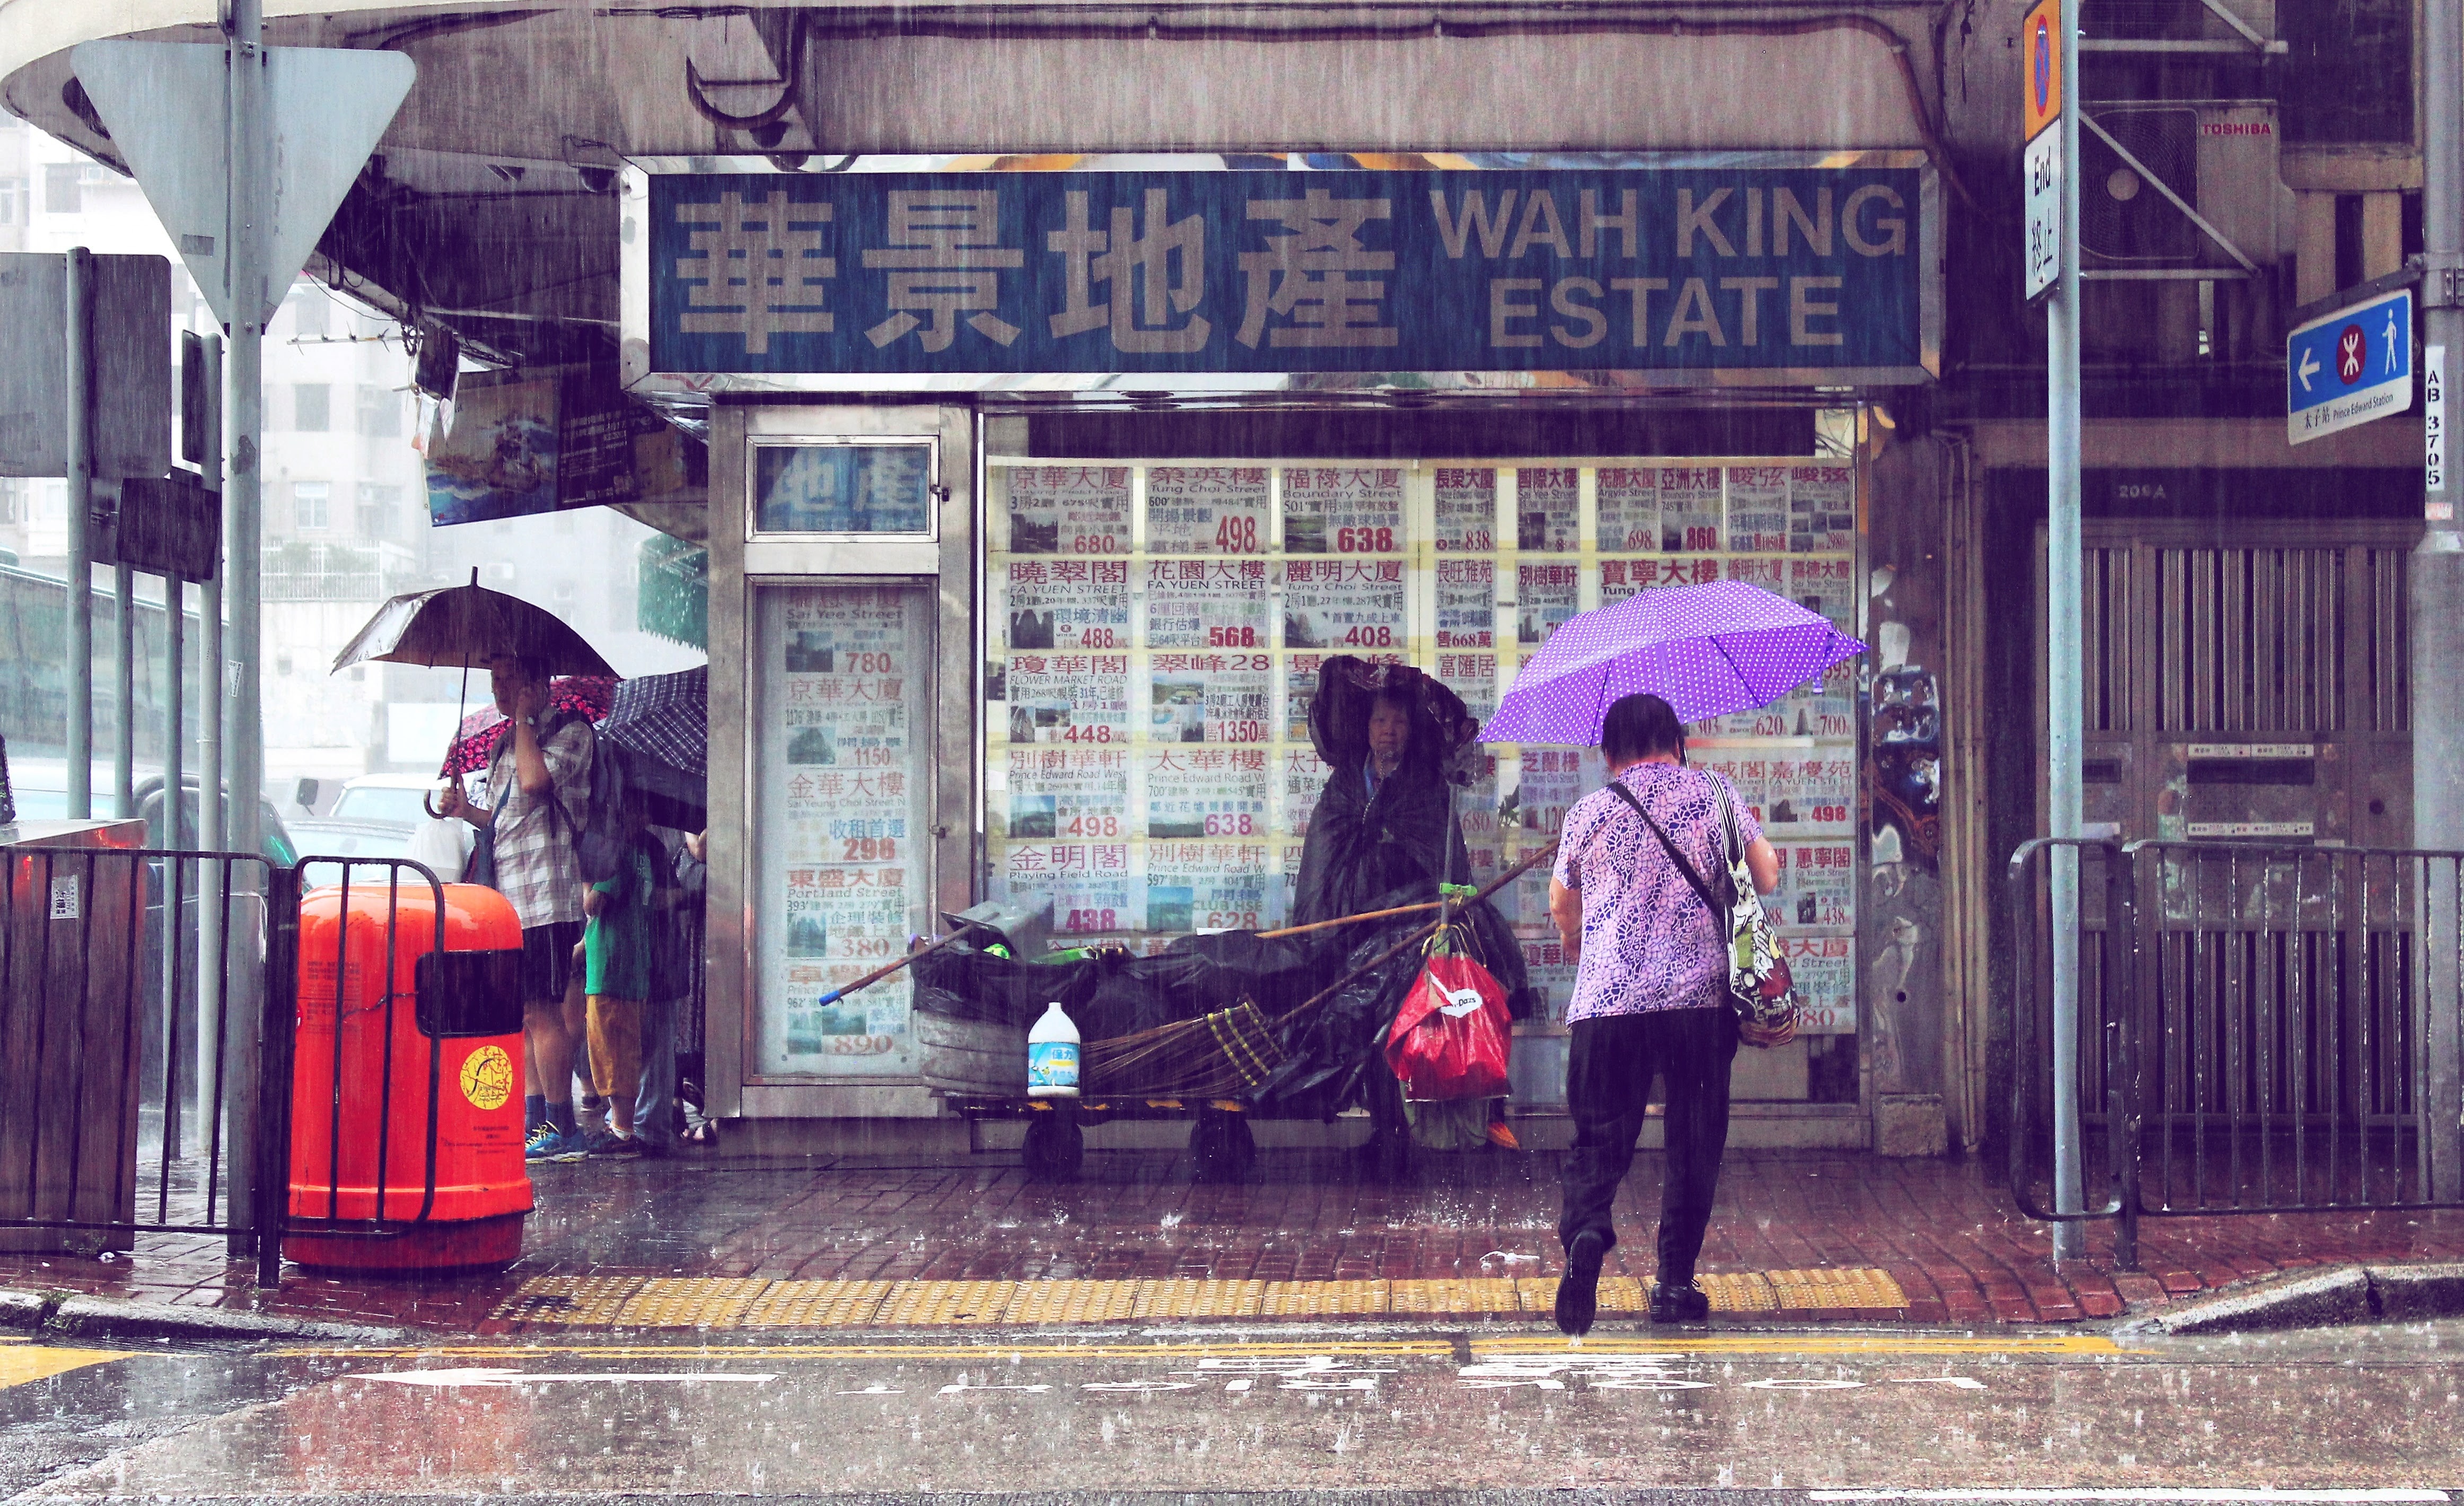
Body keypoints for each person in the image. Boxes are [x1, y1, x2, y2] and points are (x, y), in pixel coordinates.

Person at [1546, 691, 1790, 1335]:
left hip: (1609, 1002)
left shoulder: (1590, 810)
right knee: (1693, 1139)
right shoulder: (1714, 794)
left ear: (1608, 755)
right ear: (1677, 741)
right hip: (1698, 1002)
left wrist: (1580, 937)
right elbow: (1766, 875)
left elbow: (1561, 905)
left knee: (1599, 1136)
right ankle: (1675, 1282)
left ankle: (1588, 1235)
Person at [437, 652, 595, 1164]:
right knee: (523, 1016)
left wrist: (526, 721)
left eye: (508, 681)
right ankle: (533, 1121)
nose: (498, 691)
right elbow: (506, 820)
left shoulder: (571, 733)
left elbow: (535, 783)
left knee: (545, 1012)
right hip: (509, 898)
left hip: (548, 897)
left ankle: (562, 1124)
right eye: (494, 682)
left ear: (536, 683)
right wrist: (466, 811)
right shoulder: (507, 741)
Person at [579, 815, 664, 1158]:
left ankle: (623, 1131)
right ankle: (623, 1128)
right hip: (632, 967)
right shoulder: (641, 855)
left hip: (610, 970)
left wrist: (587, 877)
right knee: (626, 1050)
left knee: (611, 1052)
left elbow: (593, 905)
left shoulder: (614, 856)